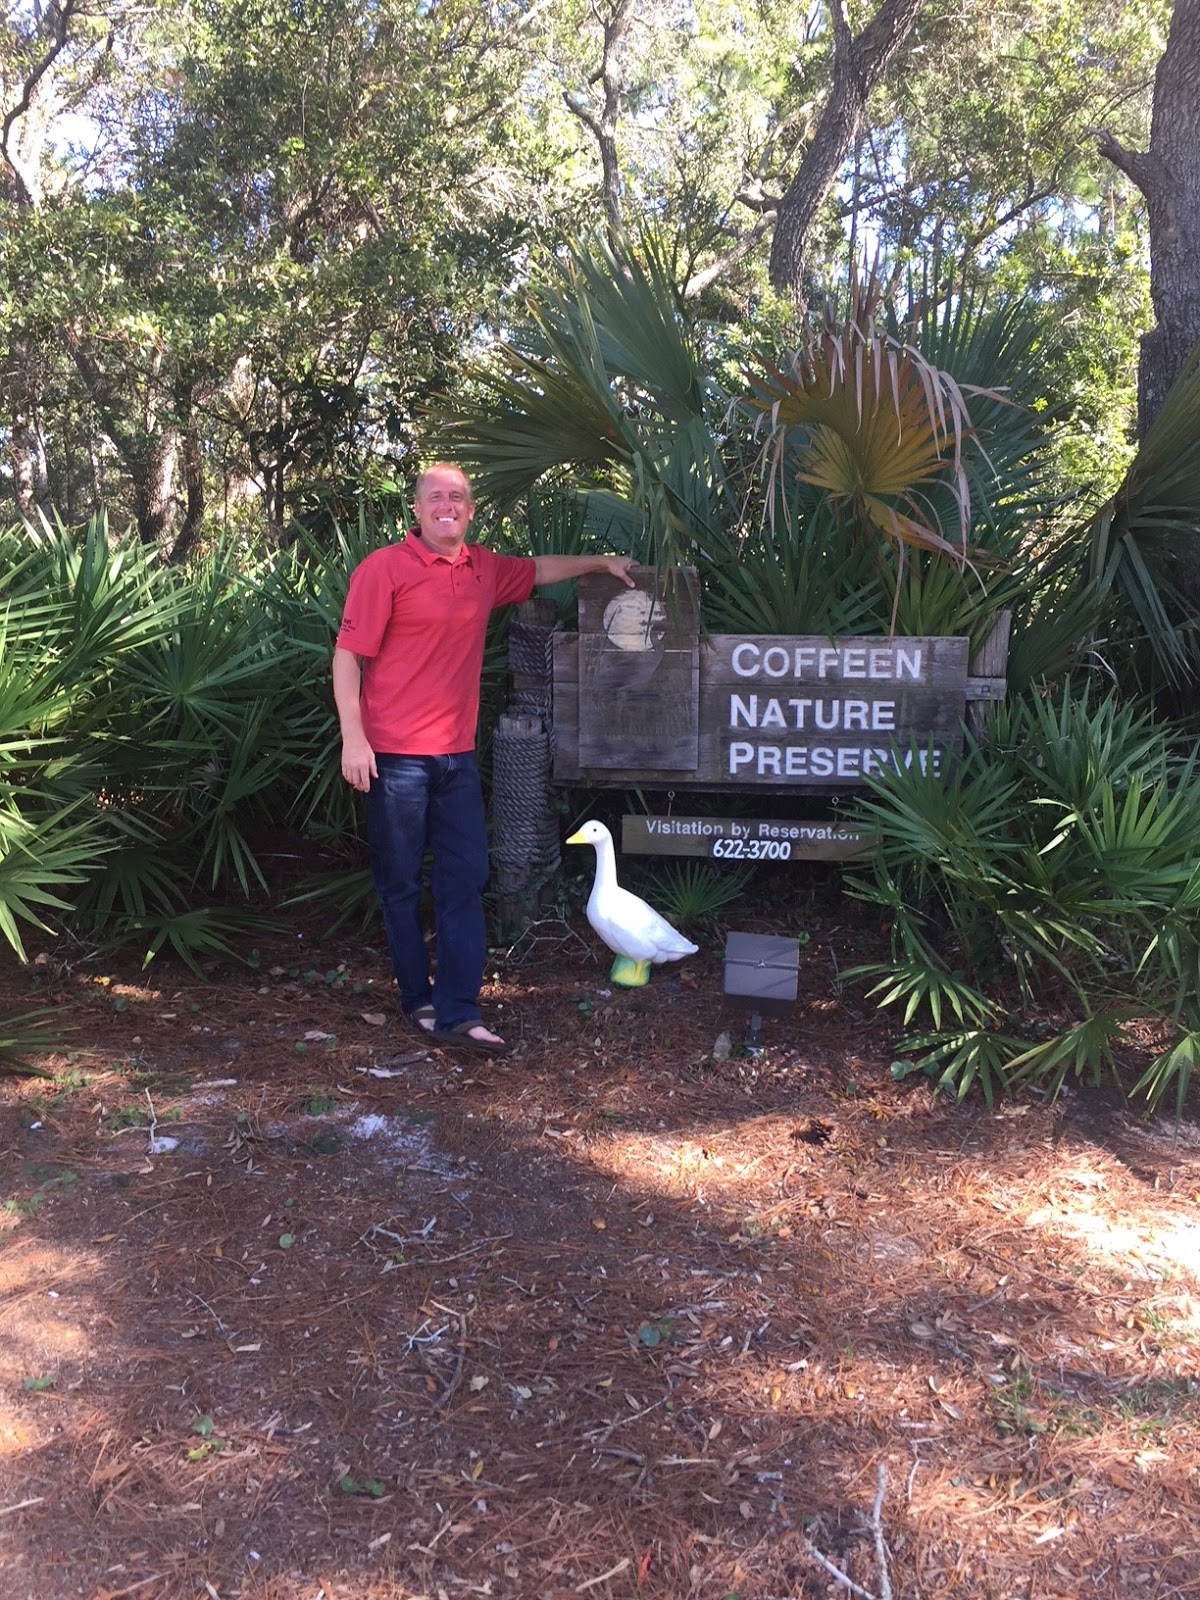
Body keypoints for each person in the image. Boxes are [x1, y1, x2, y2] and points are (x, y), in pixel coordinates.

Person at [333, 462, 635, 1054]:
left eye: (459, 497)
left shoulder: (482, 569)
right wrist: (354, 737)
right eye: (436, 497)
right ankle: (416, 998)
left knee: (464, 881)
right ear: (417, 511)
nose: (448, 505)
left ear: (470, 510)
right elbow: (348, 657)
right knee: (398, 885)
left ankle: (459, 1012)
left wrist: (599, 564)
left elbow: (539, 571)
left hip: (456, 759)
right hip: (394, 757)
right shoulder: (384, 570)